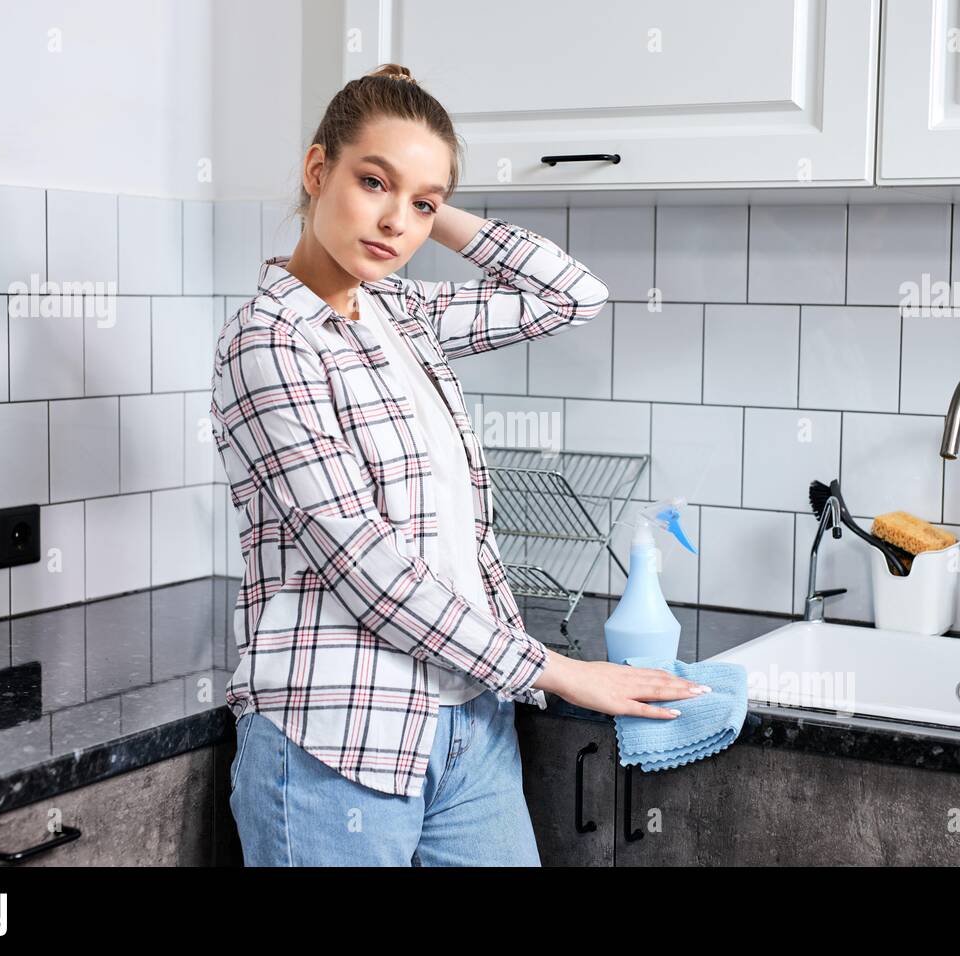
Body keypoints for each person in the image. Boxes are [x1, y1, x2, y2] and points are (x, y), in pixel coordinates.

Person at [210, 63, 712, 867]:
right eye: (371, 181)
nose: (393, 222)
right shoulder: (269, 343)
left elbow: (571, 295)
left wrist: (427, 210)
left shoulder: (402, 313)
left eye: (421, 202)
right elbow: (365, 566)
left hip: (468, 725)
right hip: (334, 740)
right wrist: (559, 672)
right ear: (316, 171)